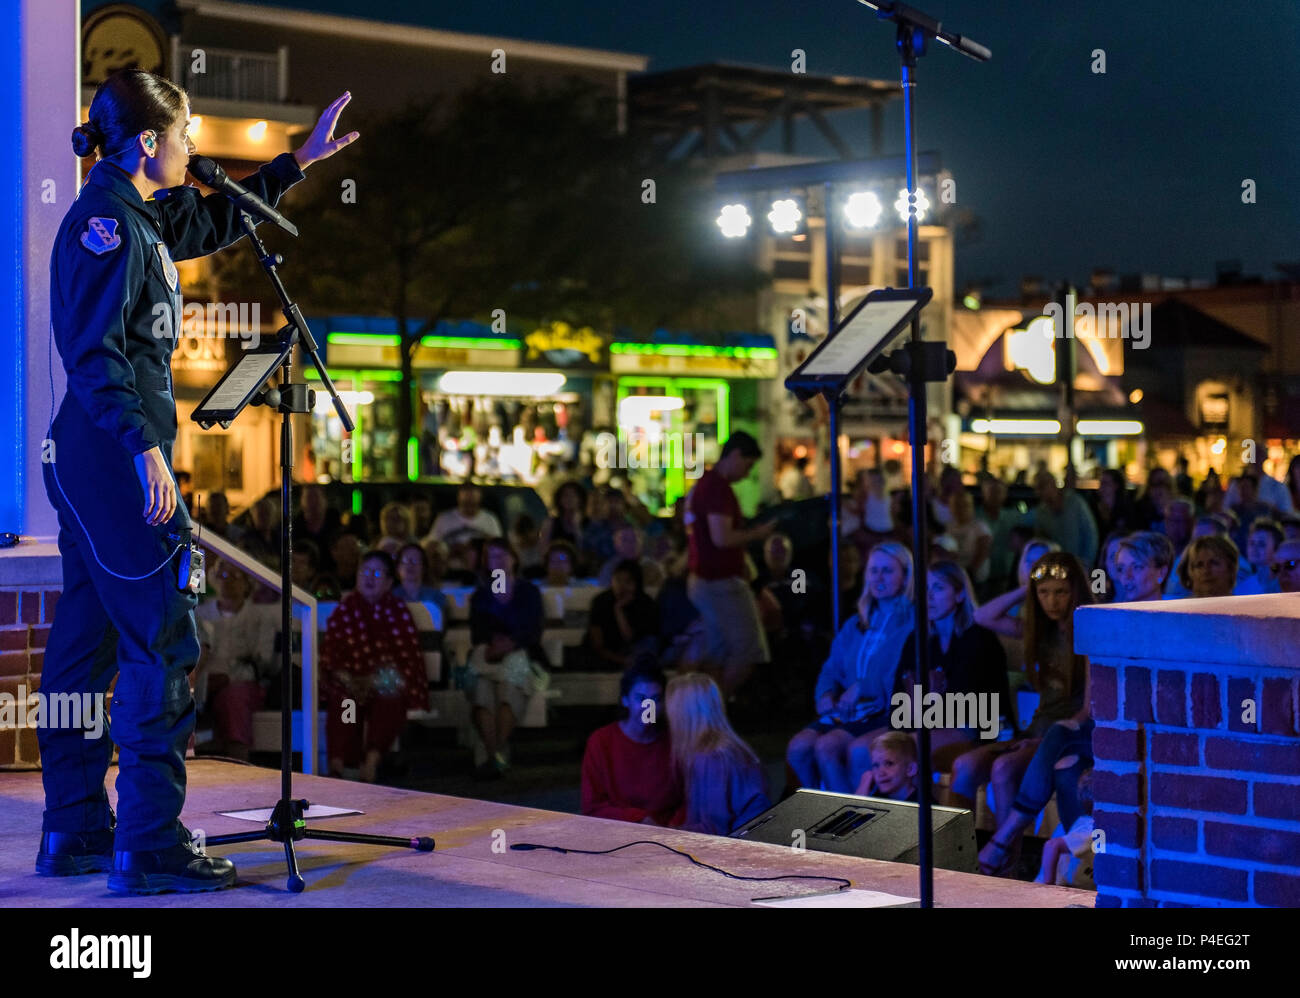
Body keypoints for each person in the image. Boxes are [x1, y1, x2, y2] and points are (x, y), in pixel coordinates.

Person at [37, 68, 355, 894]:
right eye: (185, 137)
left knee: (86, 643)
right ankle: (148, 841)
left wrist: (294, 165)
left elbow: (211, 217)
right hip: (113, 452)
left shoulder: (134, 211)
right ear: (149, 142)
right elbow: (94, 350)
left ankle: (74, 831)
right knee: (162, 639)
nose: (193, 150)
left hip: (93, 451)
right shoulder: (106, 223)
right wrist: (144, 448)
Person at [948, 552, 1092, 847]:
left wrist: (1041, 742)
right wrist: (1027, 586)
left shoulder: (1089, 632)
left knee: (1003, 769)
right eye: (1044, 593)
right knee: (964, 766)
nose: (1052, 601)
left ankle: (1003, 861)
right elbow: (982, 615)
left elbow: (1086, 712)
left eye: (1061, 592)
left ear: (1075, 591)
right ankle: (955, 856)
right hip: (1034, 730)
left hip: (1064, 736)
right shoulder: (1039, 632)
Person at [786, 542, 914, 794]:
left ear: (905, 576)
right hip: (849, 709)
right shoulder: (856, 622)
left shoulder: (911, 622)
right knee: (798, 748)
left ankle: (849, 818)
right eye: (873, 570)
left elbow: (896, 674)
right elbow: (831, 667)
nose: (878, 577)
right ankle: (819, 810)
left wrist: (860, 687)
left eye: (887, 571)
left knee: (827, 746)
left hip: (880, 709)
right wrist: (824, 694)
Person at [869, 560, 1009, 791]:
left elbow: (964, 706)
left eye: (938, 588)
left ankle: (916, 822)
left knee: (903, 750)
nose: (929, 597)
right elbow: (899, 694)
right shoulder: (917, 638)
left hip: (976, 725)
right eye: (924, 589)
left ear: (960, 594)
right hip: (924, 720)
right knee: (862, 749)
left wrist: (916, 714)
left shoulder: (979, 639)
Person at [683, 432, 775, 696]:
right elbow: (722, 537)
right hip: (719, 581)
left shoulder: (705, 485)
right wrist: (758, 534)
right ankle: (713, 711)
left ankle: (701, 713)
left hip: (706, 578)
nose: (747, 474)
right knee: (749, 648)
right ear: (735, 455)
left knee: (717, 649)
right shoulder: (717, 488)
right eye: (748, 465)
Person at [320, 550, 425, 783]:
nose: (369, 577)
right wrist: (350, 680)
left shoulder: (397, 611)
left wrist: (372, 680)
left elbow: (406, 659)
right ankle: (338, 765)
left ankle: (371, 761)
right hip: (349, 684)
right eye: (365, 571)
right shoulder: (345, 610)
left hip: (384, 683)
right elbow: (331, 655)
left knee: (390, 699)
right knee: (345, 704)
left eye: (377, 573)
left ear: (388, 581)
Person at [467, 538, 546, 777]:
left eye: (503, 555)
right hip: (489, 659)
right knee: (482, 690)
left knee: (509, 690)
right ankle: (497, 756)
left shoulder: (529, 592)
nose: (498, 560)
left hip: (522, 656)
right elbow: (477, 634)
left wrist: (511, 644)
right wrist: (494, 647)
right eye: (492, 556)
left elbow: (534, 631)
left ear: (513, 558)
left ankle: (493, 755)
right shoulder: (480, 596)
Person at [580, 661, 684, 826]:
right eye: (641, 698)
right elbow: (592, 806)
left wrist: (673, 829)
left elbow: (689, 800)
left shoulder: (676, 742)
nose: (648, 708)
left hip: (670, 834)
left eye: (655, 699)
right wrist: (639, 819)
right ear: (625, 700)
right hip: (618, 832)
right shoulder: (601, 742)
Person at [665, 673, 769, 834]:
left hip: (740, 846)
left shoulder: (711, 756)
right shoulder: (727, 746)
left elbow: (714, 829)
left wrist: (662, 833)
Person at [585, 559, 660, 670]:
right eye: (618, 580)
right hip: (605, 657)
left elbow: (632, 638)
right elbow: (597, 644)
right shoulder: (601, 602)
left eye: (628, 582)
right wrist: (622, 660)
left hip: (636, 655)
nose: (621, 586)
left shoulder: (645, 604)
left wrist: (619, 611)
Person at [1026, 470, 1099, 566]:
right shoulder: (1041, 512)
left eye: (1042, 487)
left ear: (1052, 484)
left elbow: (1090, 534)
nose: (1038, 492)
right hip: (1057, 567)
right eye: (1036, 489)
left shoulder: (1075, 503)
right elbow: (1042, 541)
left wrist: (1086, 562)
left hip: (1080, 563)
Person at [428, 481, 502, 546]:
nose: (469, 507)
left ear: (479, 500)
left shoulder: (490, 519)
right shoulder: (444, 519)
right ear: (458, 499)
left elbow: (499, 547)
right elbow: (432, 544)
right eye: (465, 504)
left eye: (473, 504)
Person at [853, 731, 919, 801]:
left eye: (889, 764)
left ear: (910, 769)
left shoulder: (922, 804)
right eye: (876, 765)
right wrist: (864, 786)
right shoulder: (879, 796)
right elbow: (853, 809)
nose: (880, 773)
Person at [1113, 531, 1175, 604]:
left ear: (1162, 573)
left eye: (1137, 567)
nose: (1126, 576)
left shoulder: (1180, 613)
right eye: (1121, 569)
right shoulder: (1109, 614)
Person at [393, 542, 448, 619]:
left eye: (415, 560)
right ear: (398, 567)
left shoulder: (436, 597)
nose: (410, 564)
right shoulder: (391, 597)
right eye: (405, 560)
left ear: (424, 567)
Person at [1176, 534, 1241, 599]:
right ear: (1190, 572)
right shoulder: (1178, 608)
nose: (1206, 571)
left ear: (1231, 568)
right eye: (1199, 565)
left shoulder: (1244, 608)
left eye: (1214, 563)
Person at [1237, 519, 1284, 595]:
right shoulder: (1243, 574)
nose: (1254, 548)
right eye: (1251, 543)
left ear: (1276, 549)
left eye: (1261, 544)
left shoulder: (1281, 580)